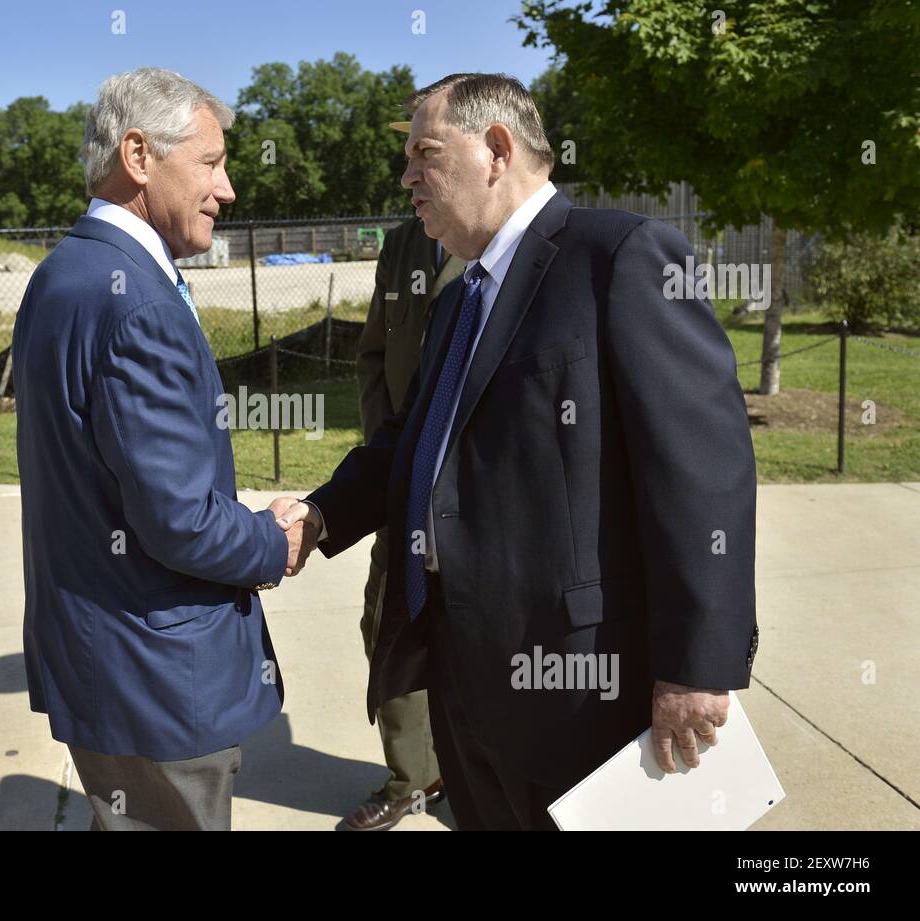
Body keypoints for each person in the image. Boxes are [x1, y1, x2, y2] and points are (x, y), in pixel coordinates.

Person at [274, 73, 759, 830]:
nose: (406, 178)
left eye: (422, 154)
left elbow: (703, 472)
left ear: (496, 148)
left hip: (579, 686)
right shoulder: (458, 298)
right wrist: (320, 514)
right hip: (464, 677)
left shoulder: (616, 258)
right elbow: (412, 438)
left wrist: (697, 665)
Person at [14, 68, 311, 831]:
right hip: (152, 670)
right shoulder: (135, 299)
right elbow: (179, 518)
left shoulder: (66, 274)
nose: (229, 187)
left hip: (101, 652)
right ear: (139, 155)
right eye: (211, 162)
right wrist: (271, 542)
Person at [345, 214, 464, 830]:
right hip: (404, 479)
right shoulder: (403, 243)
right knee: (387, 624)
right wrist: (386, 466)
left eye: (427, 151)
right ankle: (414, 777)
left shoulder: (514, 241)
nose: (410, 172)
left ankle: (473, 769)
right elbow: (373, 356)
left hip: (478, 494)